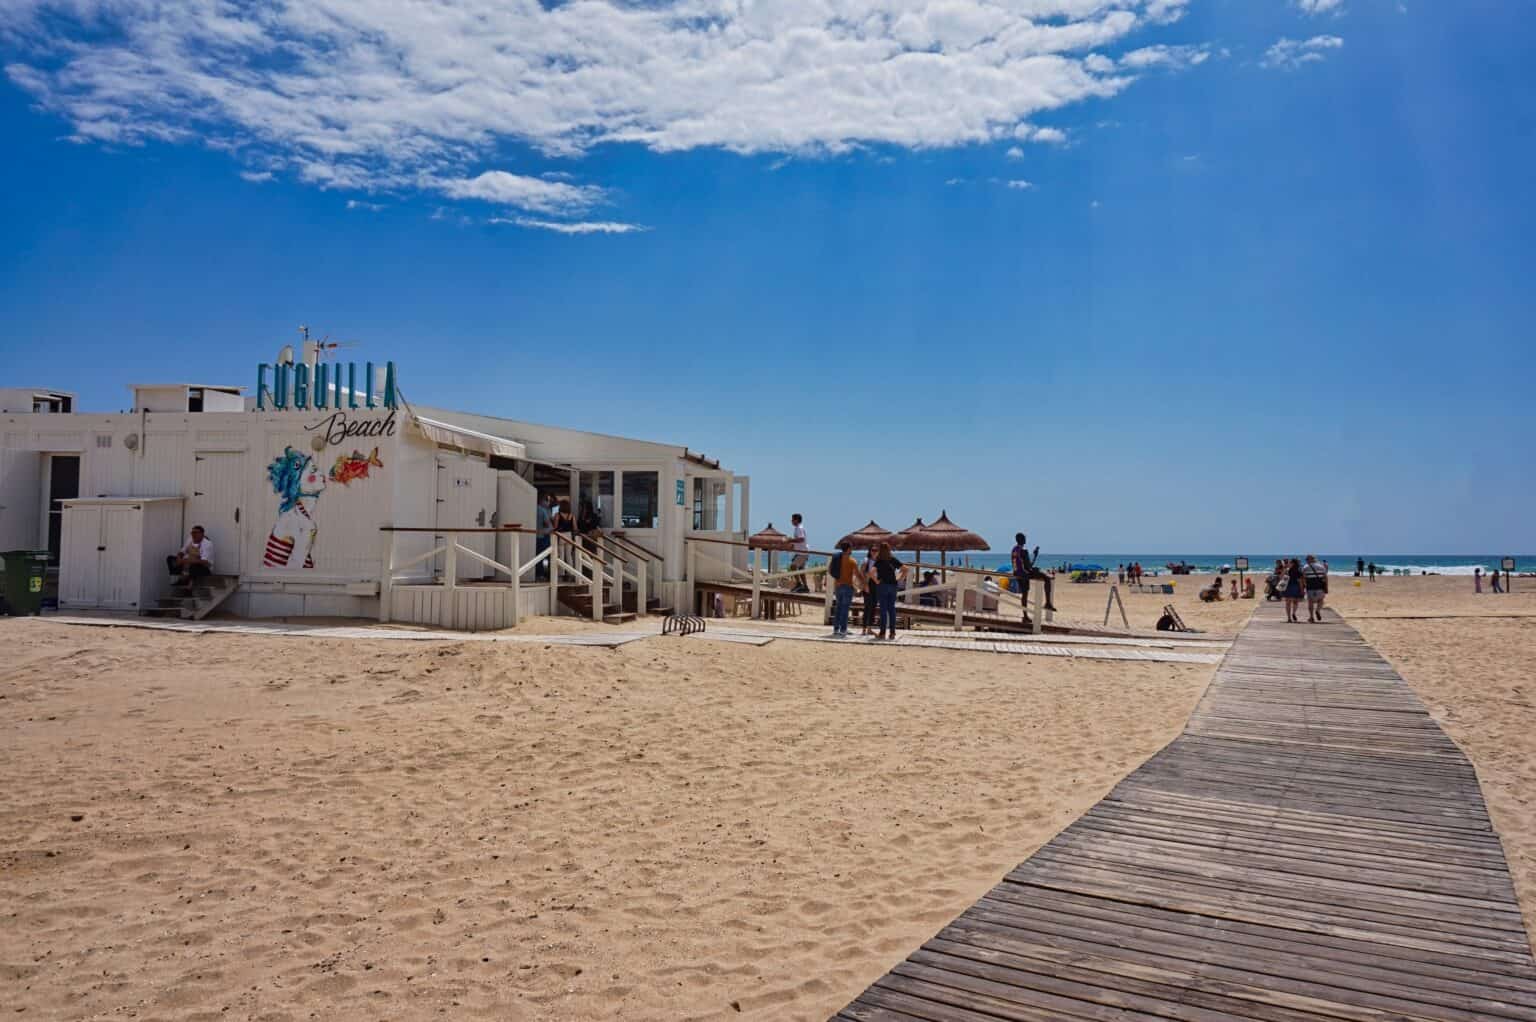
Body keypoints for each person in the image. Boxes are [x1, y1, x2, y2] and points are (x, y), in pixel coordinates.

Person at [828, 540, 861, 637]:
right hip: (847, 586)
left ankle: (836, 629)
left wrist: (837, 578)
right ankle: (843, 629)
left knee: (838, 608)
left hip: (838, 586)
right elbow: (857, 574)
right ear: (849, 549)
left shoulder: (836, 558)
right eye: (851, 548)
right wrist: (863, 583)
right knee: (845, 609)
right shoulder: (852, 561)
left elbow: (830, 570)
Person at [873, 541, 904, 640]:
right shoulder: (892, 559)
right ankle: (892, 633)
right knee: (891, 609)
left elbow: (870, 572)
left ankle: (882, 633)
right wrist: (899, 579)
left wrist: (876, 581)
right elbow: (905, 569)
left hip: (882, 586)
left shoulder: (879, 560)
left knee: (883, 610)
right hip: (893, 586)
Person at [1301, 554, 1329, 622]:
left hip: (1310, 586)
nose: (1306, 561)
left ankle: (1311, 617)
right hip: (1320, 586)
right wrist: (1326, 587)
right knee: (1321, 600)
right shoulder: (1321, 566)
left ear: (1309, 559)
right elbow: (1325, 577)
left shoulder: (1305, 567)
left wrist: (1304, 586)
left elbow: (1303, 578)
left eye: (1307, 559)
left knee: (1310, 602)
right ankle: (1318, 610)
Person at [788, 513, 809, 593]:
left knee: (793, 566)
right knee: (801, 570)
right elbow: (800, 541)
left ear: (796, 520)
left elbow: (801, 539)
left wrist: (790, 540)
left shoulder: (799, 528)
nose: (791, 521)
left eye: (792, 519)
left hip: (802, 553)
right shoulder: (798, 528)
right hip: (801, 552)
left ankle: (799, 584)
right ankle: (805, 587)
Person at [534, 494, 553, 581]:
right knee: (542, 556)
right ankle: (541, 574)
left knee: (536, 556)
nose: (548, 503)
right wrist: (545, 531)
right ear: (542, 500)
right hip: (541, 536)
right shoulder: (542, 510)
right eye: (547, 500)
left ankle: (536, 574)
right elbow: (549, 526)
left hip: (531, 536)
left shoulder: (531, 507)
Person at [860, 548, 878, 635]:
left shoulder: (879, 561)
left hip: (876, 584)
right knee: (867, 607)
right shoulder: (866, 560)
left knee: (873, 607)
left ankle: (869, 628)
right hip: (868, 583)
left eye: (876, 550)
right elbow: (862, 573)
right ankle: (864, 628)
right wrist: (865, 585)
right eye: (873, 550)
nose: (874, 552)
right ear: (870, 551)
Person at [1283, 557, 1304, 623]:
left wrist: (1284, 569)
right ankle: (1293, 613)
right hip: (1296, 587)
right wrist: (1302, 590)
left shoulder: (1287, 570)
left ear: (1293, 563)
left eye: (1290, 562)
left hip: (1288, 587)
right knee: (1295, 602)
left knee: (1288, 603)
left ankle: (1289, 618)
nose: (1289, 563)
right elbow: (1300, 581)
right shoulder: (1299, 571)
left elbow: (1281, 577)